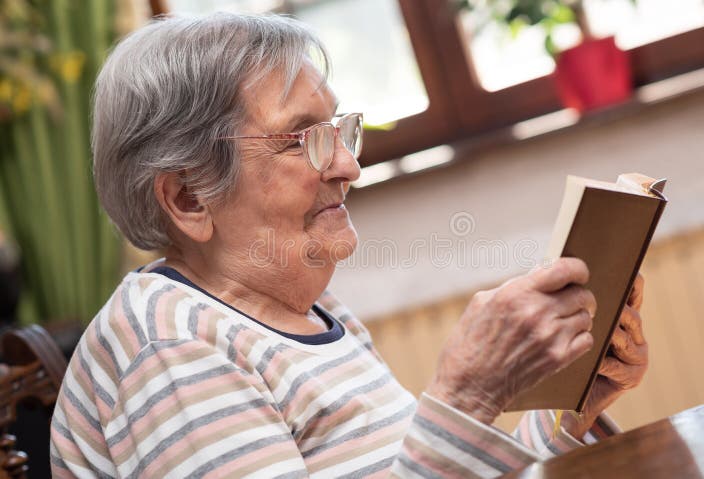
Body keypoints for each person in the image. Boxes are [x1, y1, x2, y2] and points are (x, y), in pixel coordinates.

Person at [50, 13, 648, 478]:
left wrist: (570, 411)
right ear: (188, 198)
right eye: (304, 139)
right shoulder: (169, 345)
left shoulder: (316, 312)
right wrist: (465, 396)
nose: (348, 165)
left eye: (340, 130)